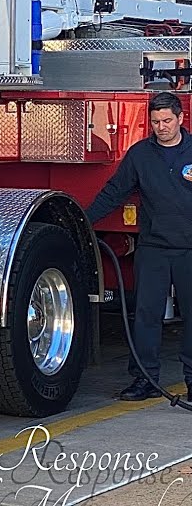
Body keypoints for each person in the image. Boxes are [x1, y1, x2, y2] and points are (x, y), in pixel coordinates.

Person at [84, 91, 192, 400]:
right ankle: (145, 380)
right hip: (154, 248)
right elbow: (114, 191)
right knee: (146, 316)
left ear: (181, 118)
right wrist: (84, 219)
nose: (162, 127)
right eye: (156, 122)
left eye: (167, 120)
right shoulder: (140, 155)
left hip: (190, 249)